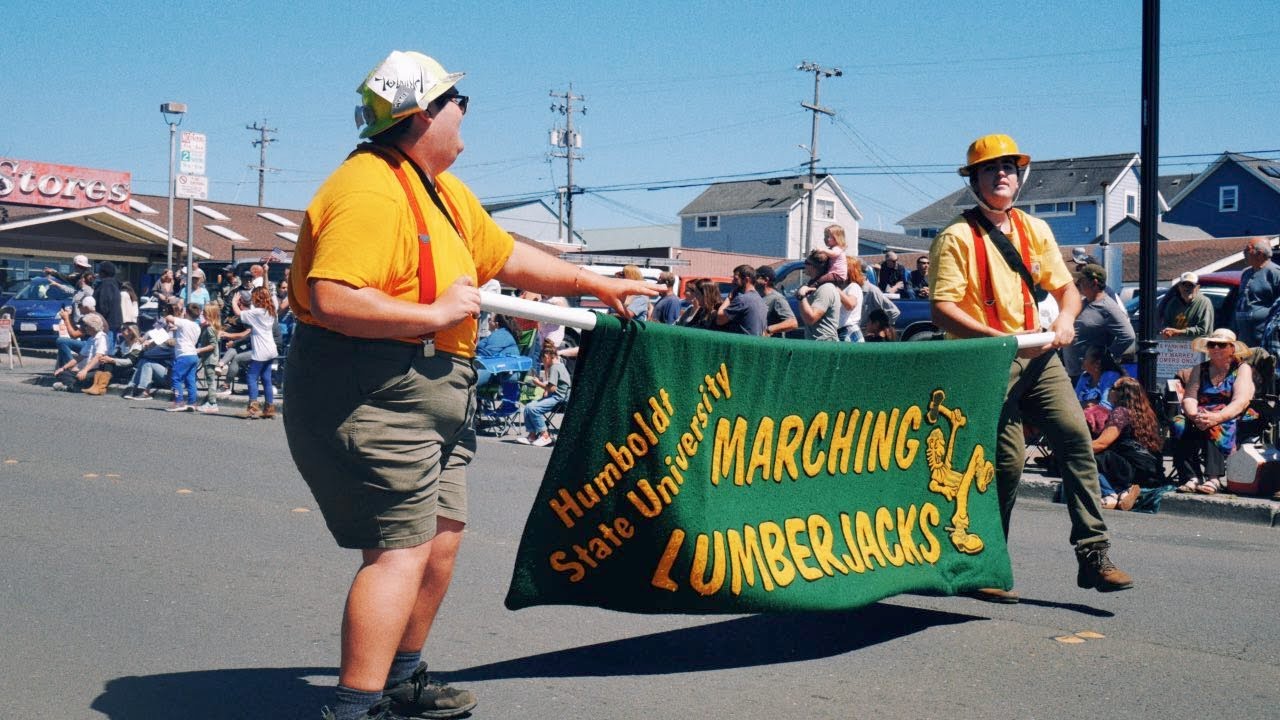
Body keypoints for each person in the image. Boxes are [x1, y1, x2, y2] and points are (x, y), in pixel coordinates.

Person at [283, 50, 655, 720]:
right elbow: (333, 297)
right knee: (399, 550)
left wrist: (595, 284)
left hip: (435, 384)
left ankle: (399, 677)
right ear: (422, 113)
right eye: (461, 102)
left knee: (441, 538)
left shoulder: (440, 190)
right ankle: (353, 707)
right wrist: (432, 315)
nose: (467, 115)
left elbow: (505, 255)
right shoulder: (368, 190)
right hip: (376, 387)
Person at [928, 133, 1132, 601]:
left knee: (1076, 439)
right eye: (992, 168)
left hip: (1038, 357)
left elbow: (1068, 292)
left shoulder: (1035, 229)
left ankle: (1093, 555)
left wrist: (1063, 319)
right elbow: (941, 308)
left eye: (1010, 168)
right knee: (1004, 464)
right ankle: (984, 564)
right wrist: (999, 340)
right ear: (974, 181)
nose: (1003, 174)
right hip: (985, 362)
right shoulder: (956, 237)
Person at [1172, 329, 1256, 495]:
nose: (1216, 347)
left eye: (1222, 345)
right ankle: (1192, 477)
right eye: (1212, 344)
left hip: (1234, 412)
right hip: (1201, 410)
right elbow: (1189, 397)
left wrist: (1217, 417)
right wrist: (1194, 414)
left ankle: (1213, 478)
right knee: (1179, 422)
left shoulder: (1242, 369)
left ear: (1232, 348)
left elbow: (1241, 400)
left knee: (1214, 424)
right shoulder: (1199, 369)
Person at [1091, 377, 1164, 510]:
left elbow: (1102, 443)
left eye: (1112, 388)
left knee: (1088, 458)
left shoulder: (1121, 412)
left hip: (1129, 469)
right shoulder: (1147, 414)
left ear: (1121, 393)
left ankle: (1111, 494)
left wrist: (1073, 448)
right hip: (1150, 471)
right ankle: (1124, 493)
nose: (1108, 391)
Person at [1065, 263, 1135, 380]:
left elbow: (1128, 336)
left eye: (1082, 280)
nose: (1079, 283)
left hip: (1089, 374)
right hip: (1073, 371)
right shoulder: (1084, 302)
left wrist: (1105, 358)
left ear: (1094, 283)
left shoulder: (1108, 307)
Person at [222, 285, 279, 419]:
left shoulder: (256, 312)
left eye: (254, 296)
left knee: (251, 376)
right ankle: (269, 408)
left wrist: (234, 301)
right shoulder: (271, 310)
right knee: (266, 378)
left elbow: (238, 313)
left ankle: (252, 408)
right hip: (271, 349)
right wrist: (265, 273)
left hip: (261, 350)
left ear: (257, 298)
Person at [519, 340, 570, 447]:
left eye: (542, 360)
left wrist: (538, 383)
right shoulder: (559, 365)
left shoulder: (554, 368)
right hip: (557, 396)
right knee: (528, 407)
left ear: (547, 356)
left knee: (534, 409)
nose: (543, 363)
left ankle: (545, 435)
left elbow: (552, 388)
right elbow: (553, 385)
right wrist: (545, 388)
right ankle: (532, 435)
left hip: (559, 398)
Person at [1234, 237, 1280, 347]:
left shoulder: (1275, 273)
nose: (1244, 253)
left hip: (1264, 340)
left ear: (1259, 254)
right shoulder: (1246, 273)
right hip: (1244, 339)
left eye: (1247, 250)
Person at [51, 313, 108, 392]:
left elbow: (98, 357)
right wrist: (63, 368)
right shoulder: (90, 339)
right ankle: (73, 386)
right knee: (61, 373)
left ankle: (72, 387)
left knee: (81, 377)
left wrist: (85, 370)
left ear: (92, 326)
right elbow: (79, 357)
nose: (85, 328)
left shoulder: (101, 337)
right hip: (83, 369)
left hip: (94, 370)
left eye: (86, 326)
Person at [796, 250, 841, 341]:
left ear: (813, 267)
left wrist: (801, 296)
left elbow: (811, 318)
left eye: (806, 262)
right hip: (817, 343)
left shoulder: (825, 289)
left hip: (825, 345)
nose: (804, 265)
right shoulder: (816, 287)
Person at [1158, 272, 1213, 340]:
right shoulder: (1173, 303)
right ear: (1179, 287)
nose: (1187, 289)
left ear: (1197, 288)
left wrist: (1178, 332)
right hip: (1175, 346)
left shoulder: (1204, 302)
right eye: (1184, 285)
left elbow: (1203, 330)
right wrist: (1166, 331)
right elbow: (1165, 324)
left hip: (1198, 347)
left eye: (1191, 285)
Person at [715, 264, 767, 335]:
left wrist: (729, 297)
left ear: (746, 280)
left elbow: (720, 319)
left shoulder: (743, 299)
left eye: (736, 279)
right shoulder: (761, 300)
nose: (732, 282)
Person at [474, 314, 520, 388]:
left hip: (492, 370)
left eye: (490, 320)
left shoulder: (501, 335)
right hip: (495, 369)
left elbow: (488, 354)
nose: (488, 322)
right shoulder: (502, 333)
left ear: (496, 324)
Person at [1074, 345, 1123, 410]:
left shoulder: (1111, 376)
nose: (1081, 360)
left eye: (1085, 358)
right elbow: (1073, 402)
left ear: (1097, 363)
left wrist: (1081, 404)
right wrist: (1089, 404)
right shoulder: (1084, 376)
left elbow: (1105, 407)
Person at [753, 266, 798, 338]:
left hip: (769, 344)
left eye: (756, 277)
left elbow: (793, 323)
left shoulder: (777, 298)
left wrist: (769, 330)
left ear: (765, 280)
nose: (753, 280)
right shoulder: (756, 295)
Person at [196, 304, 223, 414]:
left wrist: (199, 350)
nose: (202, 314)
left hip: (210, 359)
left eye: (205, 313)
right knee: (210, 381)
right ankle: (210, 401)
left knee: (210, 382)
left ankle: (212, 403)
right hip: (209, 358)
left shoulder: (210, 329)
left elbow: (212, 345)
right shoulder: (211, 327)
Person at [93, 260, 123, 354]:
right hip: (113, 322)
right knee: (109, 347)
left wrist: (97, 319)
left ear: (103, 272)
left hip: (107, 323)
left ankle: (106, 368)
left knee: (106, 349)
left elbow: (104, 305)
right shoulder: (114, 284)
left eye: (100, 271)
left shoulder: (106, 284)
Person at [837, 261, 866, 342]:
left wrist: (835, 288)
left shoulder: (853, 287)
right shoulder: (845, 288)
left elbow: (850, 304)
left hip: (848, 329)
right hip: (843, 330)